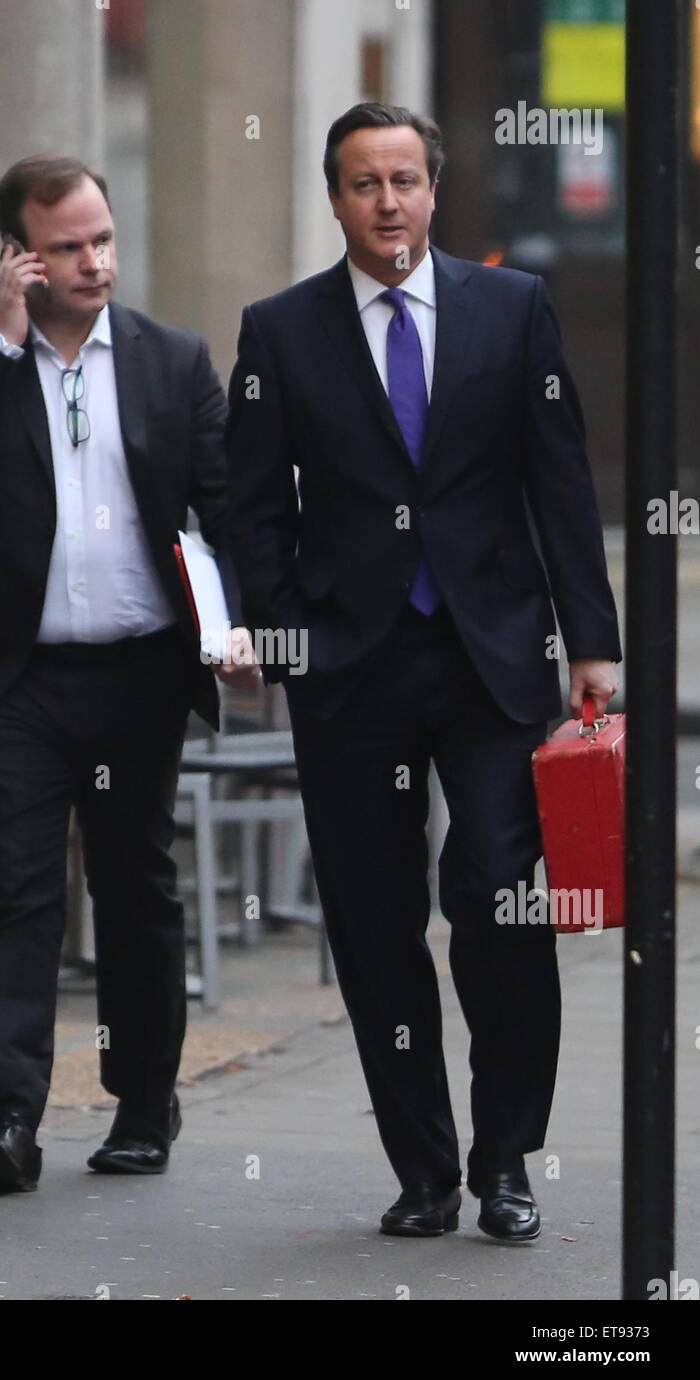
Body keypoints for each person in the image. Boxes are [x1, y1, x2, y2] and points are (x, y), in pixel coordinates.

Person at [226, 102, 620, 1242]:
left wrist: (588, 641)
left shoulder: (513, 309)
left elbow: (559, 481)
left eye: (403, 179)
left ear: (434, 190)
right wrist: (283, 631)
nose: (385, 202)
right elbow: (254, 507)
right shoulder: (283, 330)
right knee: (372, 919)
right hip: (350, 666)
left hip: (491, 657)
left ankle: (507, 1163)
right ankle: (423, 1170)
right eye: (362, 182)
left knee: (499, 899)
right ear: (334, 195)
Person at [0, 155, 256, 1192]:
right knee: (15, 888)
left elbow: (220, 509)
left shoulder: (170, 360)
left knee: (137, 889)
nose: (93, 261)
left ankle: (143, 1106)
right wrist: (4, 345)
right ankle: (9, 1115)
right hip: (12, 681)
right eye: (67, 246)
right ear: (20, 257)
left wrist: (235, 626)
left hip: (137, 675)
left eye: (101, 239)